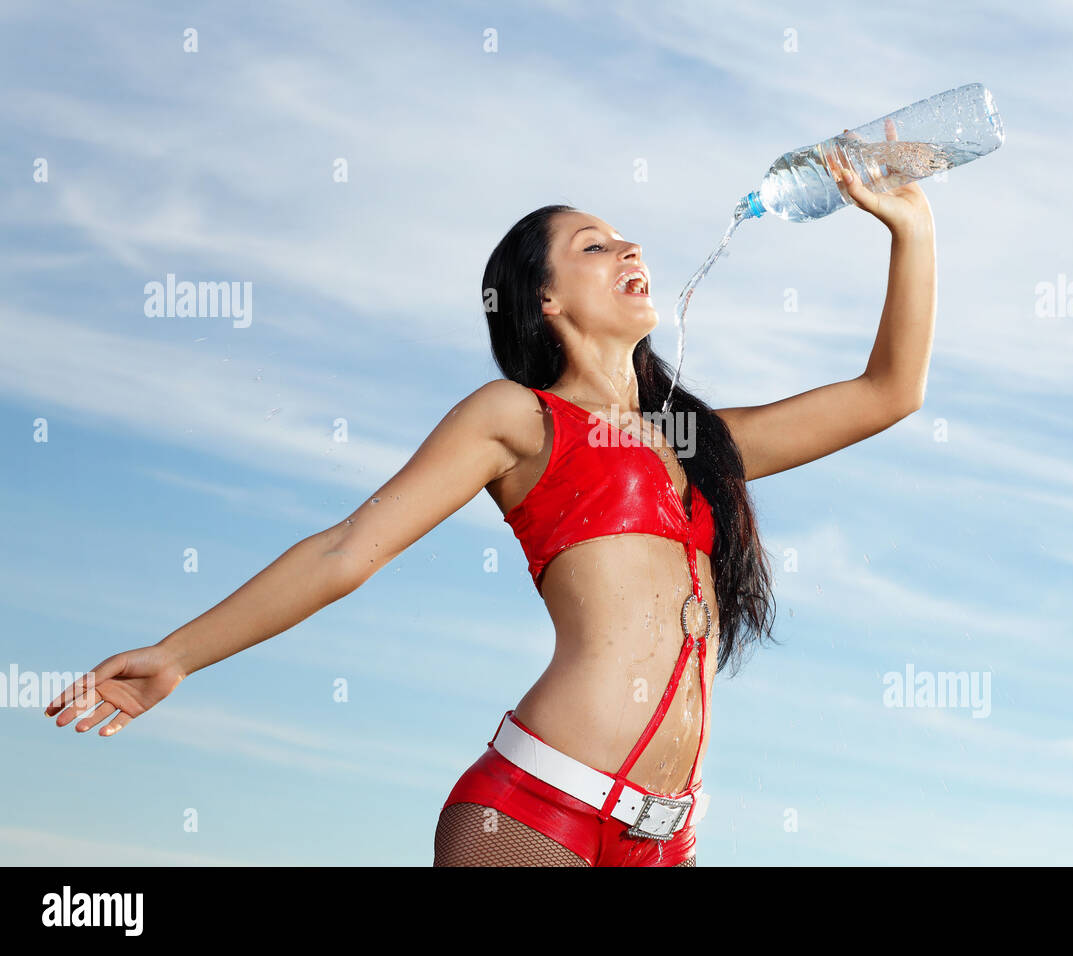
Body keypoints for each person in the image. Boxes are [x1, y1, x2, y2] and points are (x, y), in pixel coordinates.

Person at [45, 161, 936, 867]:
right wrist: (178, 656)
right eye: (594, 247)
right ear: (545, 299)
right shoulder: (518, 418)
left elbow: (889, 392)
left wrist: (913, 230)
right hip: (536, 811)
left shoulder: (701, 443)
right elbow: (346, 552)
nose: (630, 252)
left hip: (670, 835)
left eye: (629, 240)